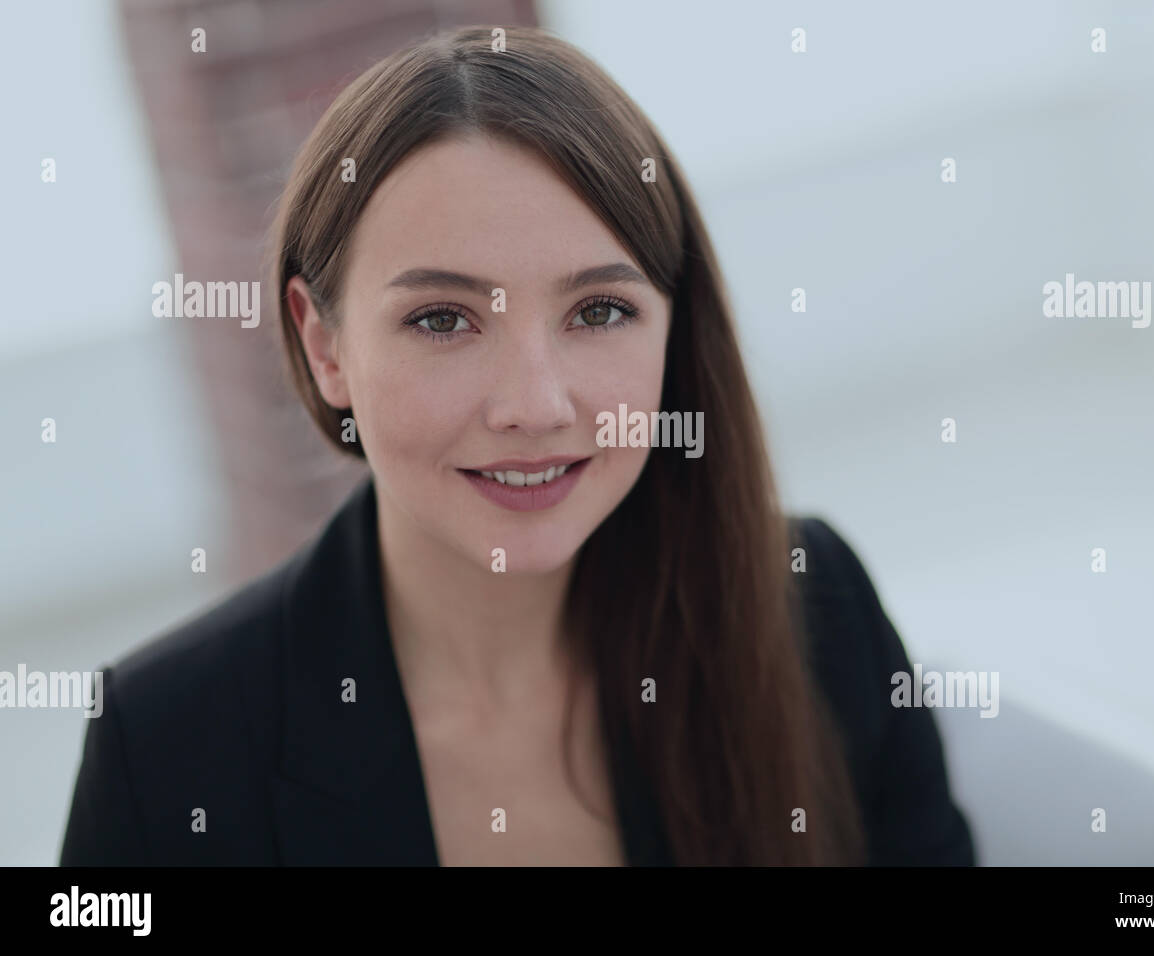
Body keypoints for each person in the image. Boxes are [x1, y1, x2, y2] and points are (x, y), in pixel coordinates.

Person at [59, 25, 975, 866]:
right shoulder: (168, 752)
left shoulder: (814, 612)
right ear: (325, 345)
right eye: (443, 319)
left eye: (600, 310)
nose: (533, 406)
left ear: (673, 329)